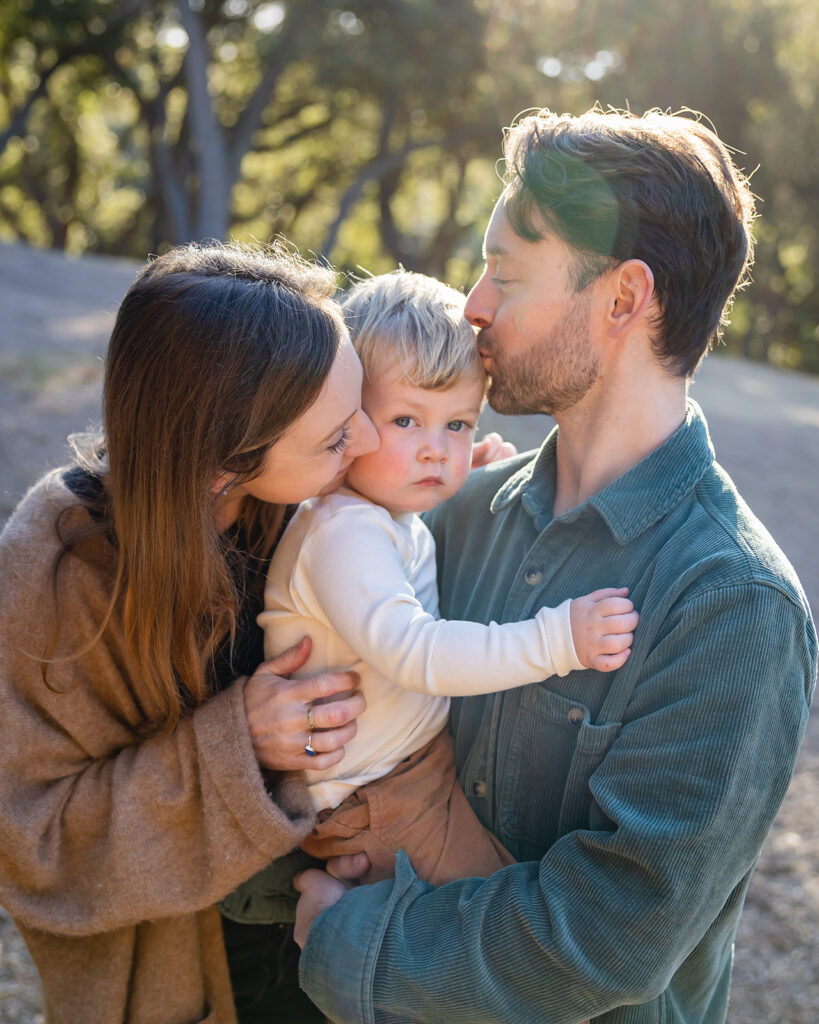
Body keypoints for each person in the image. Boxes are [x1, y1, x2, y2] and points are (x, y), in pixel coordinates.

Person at [293, 107, 817, 1024]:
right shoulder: (446, 517)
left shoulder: (733, 605)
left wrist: (351, 945)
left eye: (503, 273)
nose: (473, 305)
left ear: (621, 299)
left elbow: (609, 935)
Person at [0, 242, 381, 1023]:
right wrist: (236, 744)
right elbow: (31, 843)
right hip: (205, 971)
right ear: (217, 467)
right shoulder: (57, 570)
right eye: (336, 438)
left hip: (335, 935)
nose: (368, 441)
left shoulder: (306, 509)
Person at [256, 269, 637, 886]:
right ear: (347, 419)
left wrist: (471, 466)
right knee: (493, 909)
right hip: (374, 797)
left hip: (403, 773)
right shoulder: (343, 532)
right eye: (406, 421)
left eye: (456, 425)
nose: (436, 449)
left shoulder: (381, 510)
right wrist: (558, 640)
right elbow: (416, 653)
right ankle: (334, 925)